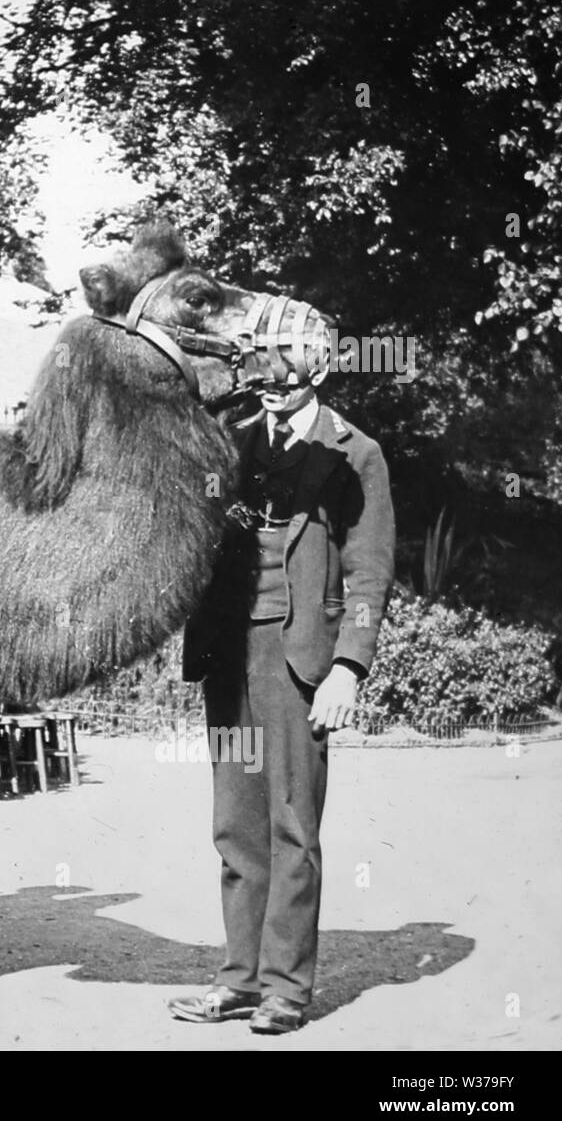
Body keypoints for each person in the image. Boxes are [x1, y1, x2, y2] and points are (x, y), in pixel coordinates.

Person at [168, 350, 396, 1034]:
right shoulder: (232, 444)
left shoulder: (357, 453)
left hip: (299, 661)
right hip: (229, 651)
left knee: (293, 823)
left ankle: (285, 991)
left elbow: (371, 570)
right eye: (261, 379)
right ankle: (239, 979)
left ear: (315, 376)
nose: (270, 392)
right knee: (236, 827)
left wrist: (348, 667)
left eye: (285, 380)